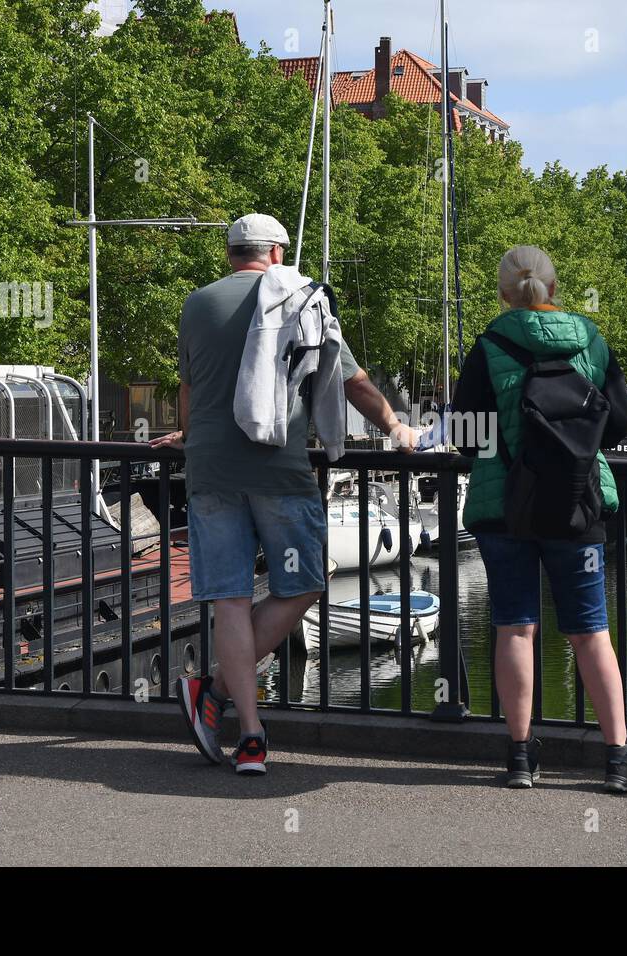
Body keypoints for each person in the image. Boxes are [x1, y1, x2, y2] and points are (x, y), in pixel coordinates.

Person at [152, 213, 415, 774]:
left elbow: (190, 384)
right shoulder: (300, 299)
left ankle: (249, 736)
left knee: (228, 599)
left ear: (231, 254)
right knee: (304, 585)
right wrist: (396, 427)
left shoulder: (197, 304)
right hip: (279, 470)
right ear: (276, 252)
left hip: (211, 471)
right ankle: (214, 693)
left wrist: (190, 432)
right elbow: (353, 382)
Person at [452, 245, 627, 794]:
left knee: (515, 628)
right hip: (577, 503)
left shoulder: (491, 343)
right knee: (591, 633)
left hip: (505, 507)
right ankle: (618, 756)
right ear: (554, 287)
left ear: (503, 293)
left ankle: (520, 758)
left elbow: (466, 435)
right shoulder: (589, 339)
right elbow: (622, 422)